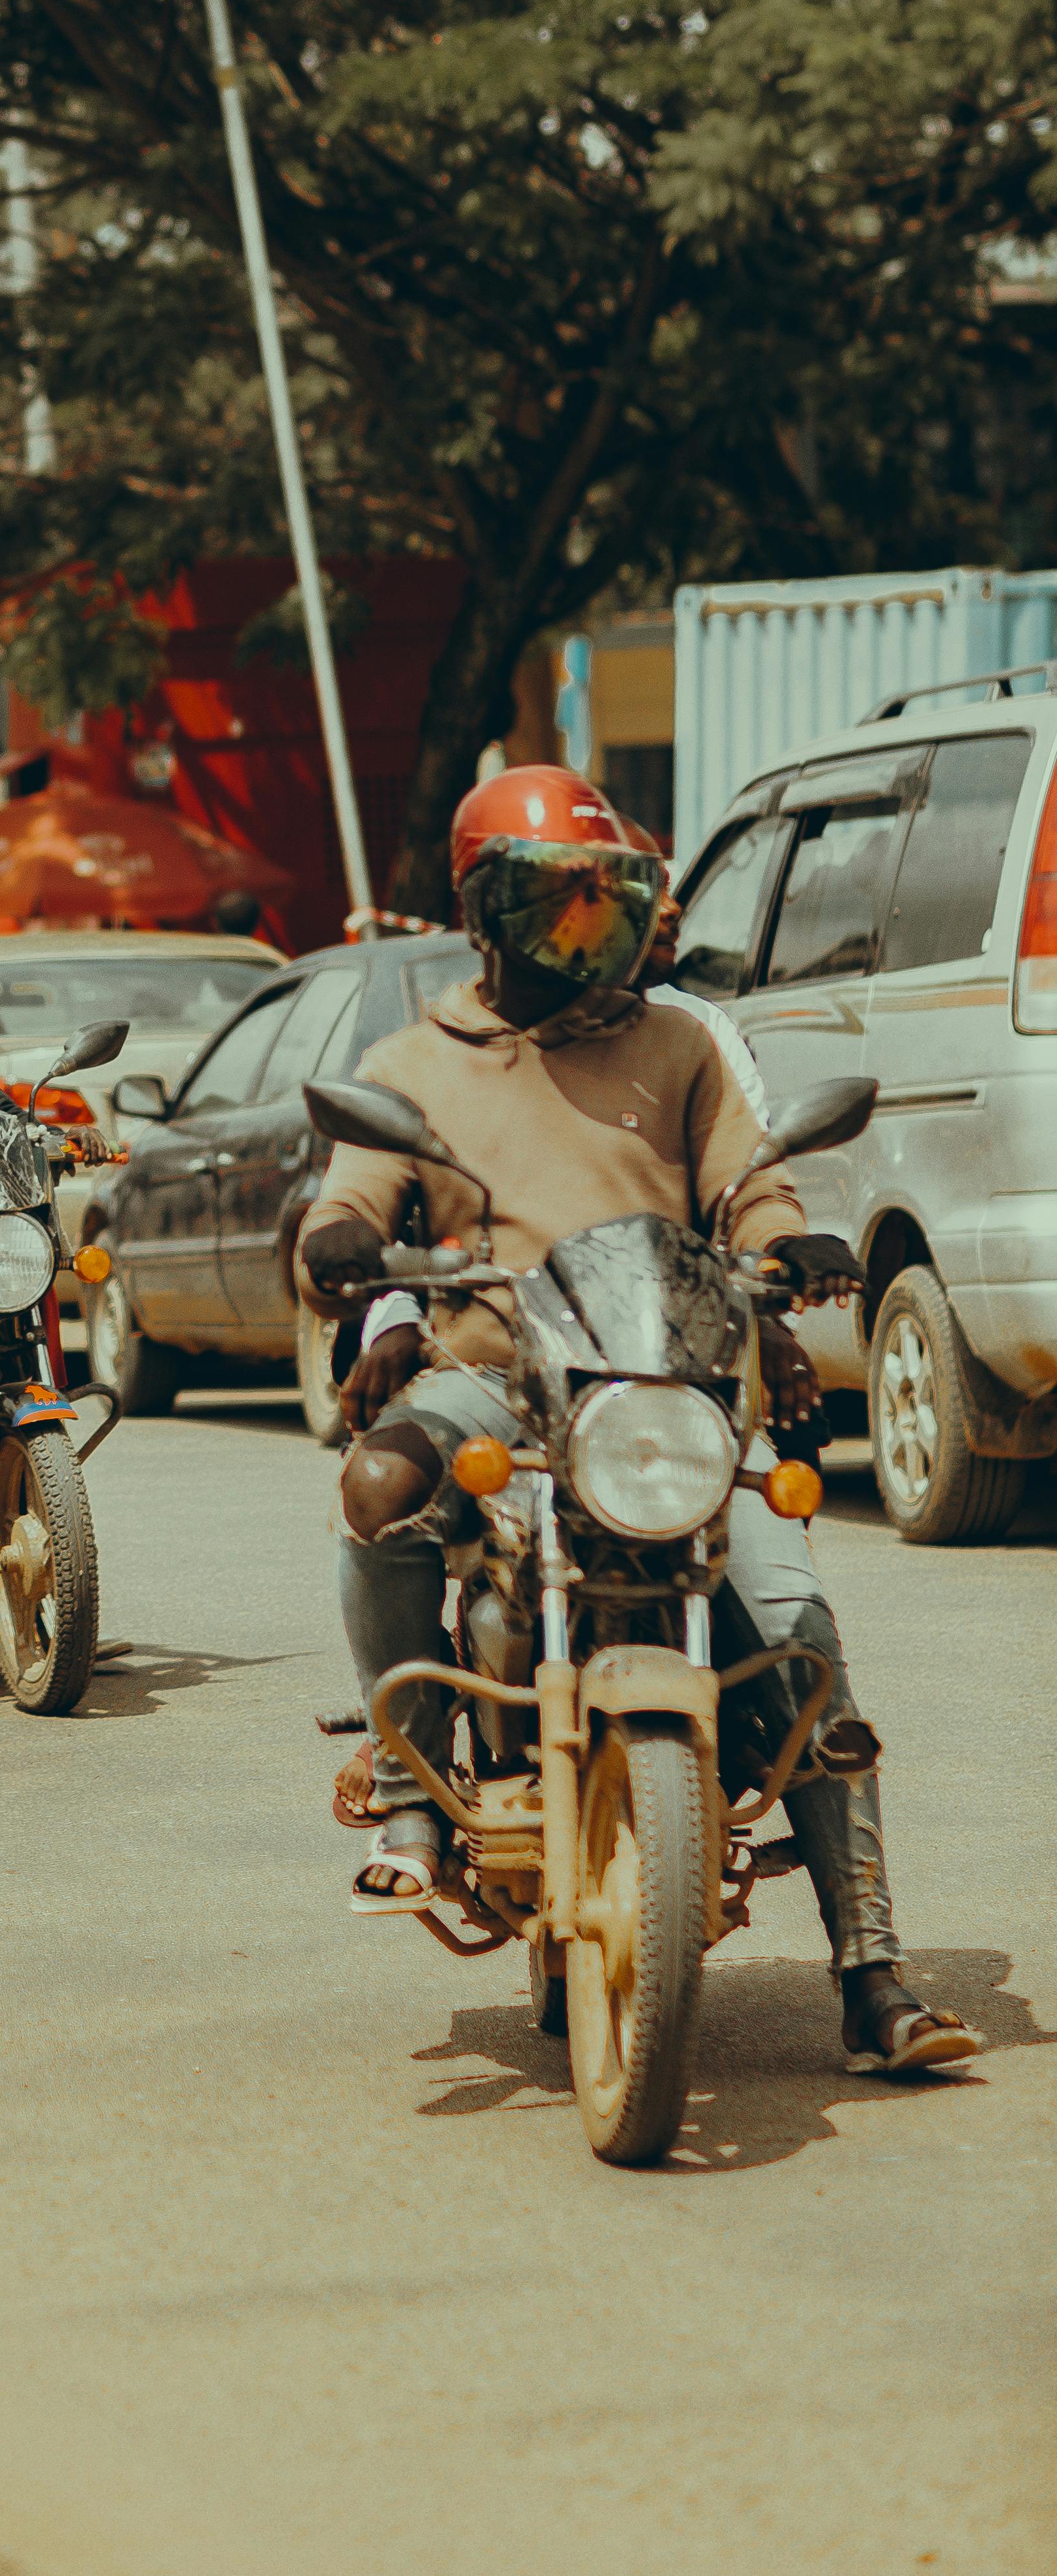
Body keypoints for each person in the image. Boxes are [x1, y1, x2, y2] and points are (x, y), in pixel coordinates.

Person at [298, 765, 976, 2079]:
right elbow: (354, 1189)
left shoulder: (672, 1044)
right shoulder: (411, 1059)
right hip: (490, 1374)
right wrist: (335, 1242)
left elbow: (749, 1191)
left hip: (660, 1385)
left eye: (597, 907)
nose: (578, 935)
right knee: (375, 1486)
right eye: (548, 907)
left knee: (795, 1632)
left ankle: (872, 1975)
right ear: (481, 911)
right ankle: (408, 1799)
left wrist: (793, 1250)